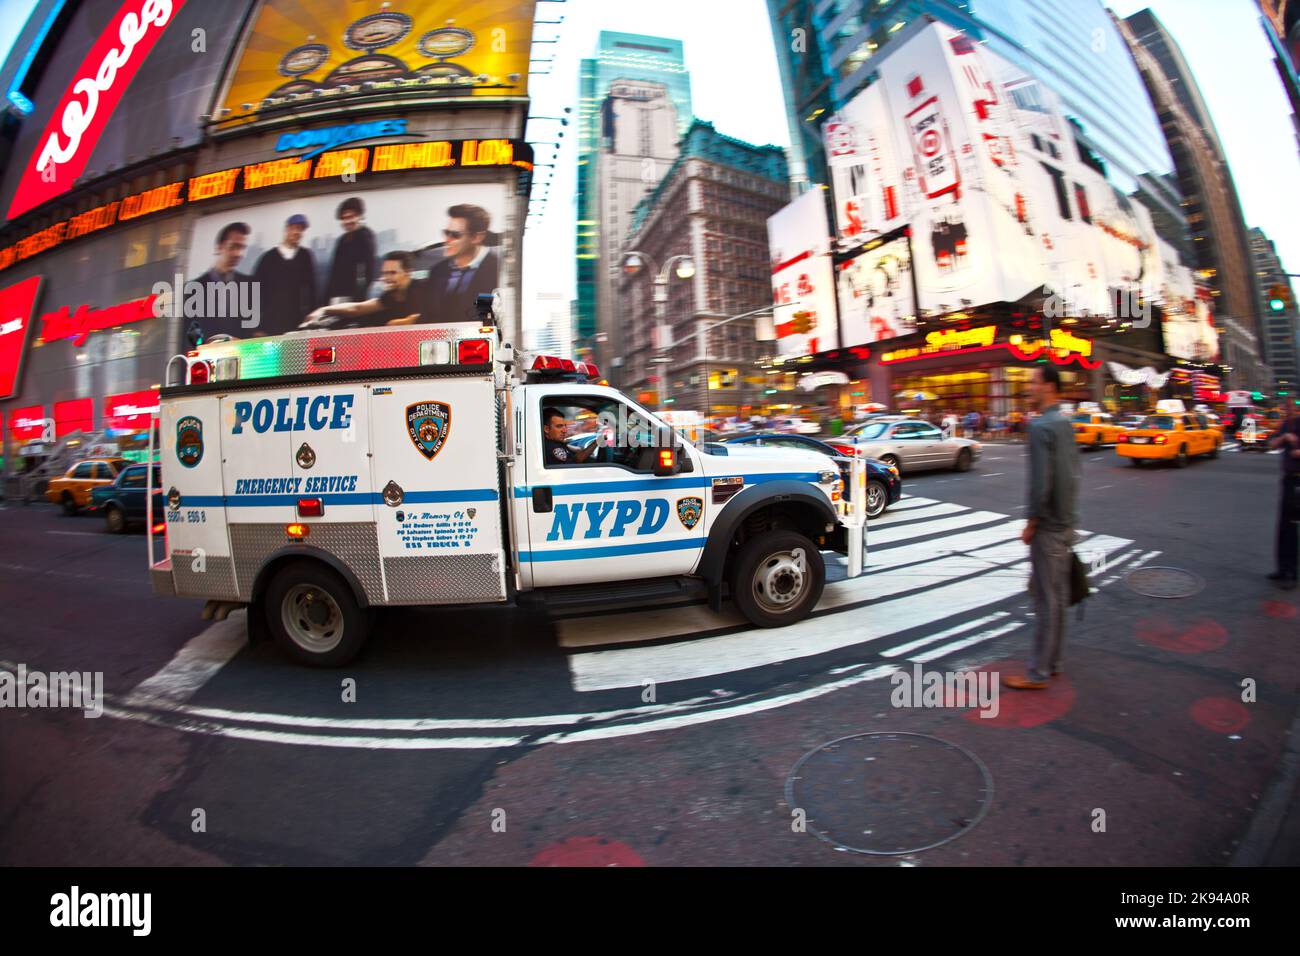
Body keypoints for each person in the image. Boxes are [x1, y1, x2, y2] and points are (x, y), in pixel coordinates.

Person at [1005, 364, 1080, 690]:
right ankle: (1055, 662)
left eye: (1033, 382)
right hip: (1067, 523)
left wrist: (1031, 523)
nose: (1029, 388)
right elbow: (1074, 474)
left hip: (1048, 527)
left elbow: (1040, 484)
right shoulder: (1065, 424)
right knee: (1058, 597)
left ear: (1048, 386)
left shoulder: (1040, 428)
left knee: (1045, 599)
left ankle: (1037, 672)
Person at [301, 251, 423, 329]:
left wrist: (397, 323)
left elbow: (428, 317)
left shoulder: (422, 290)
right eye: (385, 273)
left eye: (392, 273)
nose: (387, 278)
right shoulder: (391, 295)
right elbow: (357, 308)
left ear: (408, 272)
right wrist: (324, 310)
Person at [423, 204, 500, 322]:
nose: (447, 240)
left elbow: (486, 319)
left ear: (477, 237)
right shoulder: (437, 271)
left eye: (455, 235)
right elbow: (429, 315)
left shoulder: (495, 270)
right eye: (446, 232)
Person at [253, 214, 317, 334]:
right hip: (271, 323)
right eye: (295, 228)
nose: (297, 232)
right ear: (287, 229)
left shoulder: (305, 256)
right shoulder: (268, 258)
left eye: (301, 229)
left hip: (297, 323)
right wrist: (257, 327)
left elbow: (312, 289)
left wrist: (313, 317)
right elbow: (255, 293)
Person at [191, 222, 255, 339]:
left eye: (242, 248)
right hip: (209, 355)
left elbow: (252, 331)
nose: (238, 254)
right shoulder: (193, 289)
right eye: (233, 246)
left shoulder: (249, 285)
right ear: (219, 247)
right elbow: (190, 337)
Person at [1267, 407, 1300, 589]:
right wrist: (1283, 438)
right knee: (1283, 526)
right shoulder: (1287, 424)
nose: (1288, 410)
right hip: (1288, 480)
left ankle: (1292, 573)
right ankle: (1281, 569)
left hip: (1298, 481)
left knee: (1293, 527)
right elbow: (1272, 444)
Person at [324, 197, 377, 304]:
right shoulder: (341, 240)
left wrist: (362, 298)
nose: (347, 221)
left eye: (351, 217)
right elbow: (334, 272)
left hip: (356, 297)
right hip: (338, 296)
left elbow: (369, 269)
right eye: (344, 218)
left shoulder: (366, 236)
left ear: (359, 216)